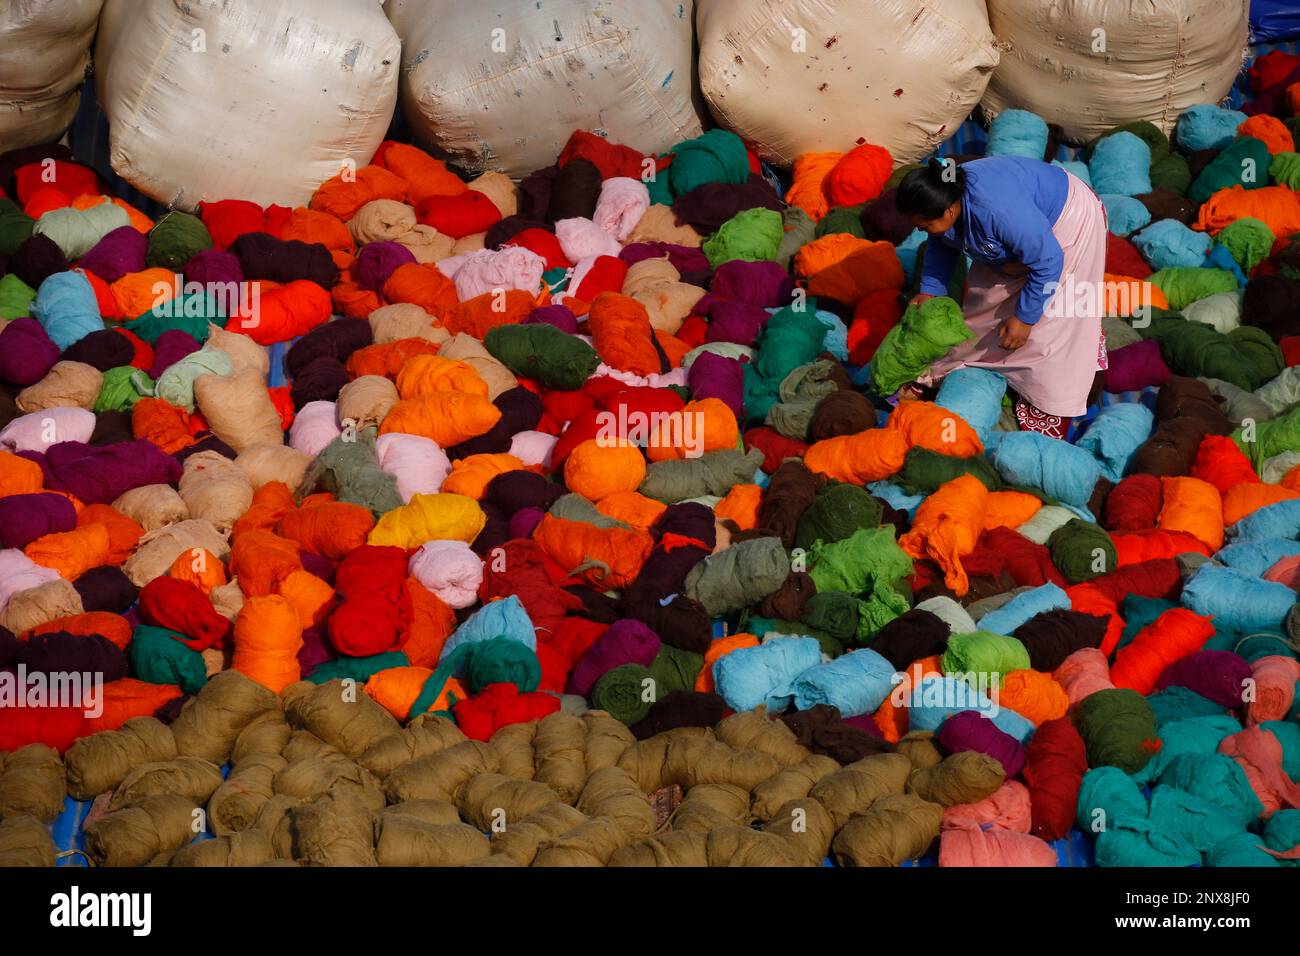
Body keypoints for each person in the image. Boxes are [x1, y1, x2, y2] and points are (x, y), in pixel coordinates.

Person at [895, 155, 1108, 439]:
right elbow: (941, 242)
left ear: (949, 211)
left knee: (1052, 322)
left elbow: (1048, 260)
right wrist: (929, 291)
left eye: (923, 225)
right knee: (983, 308)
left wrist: (1025, 317)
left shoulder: (997, 211)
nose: (920, 231)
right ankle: (942, 371)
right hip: (1025, 227)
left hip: (1067, 221)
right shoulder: (945, 196)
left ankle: (1047, 401)